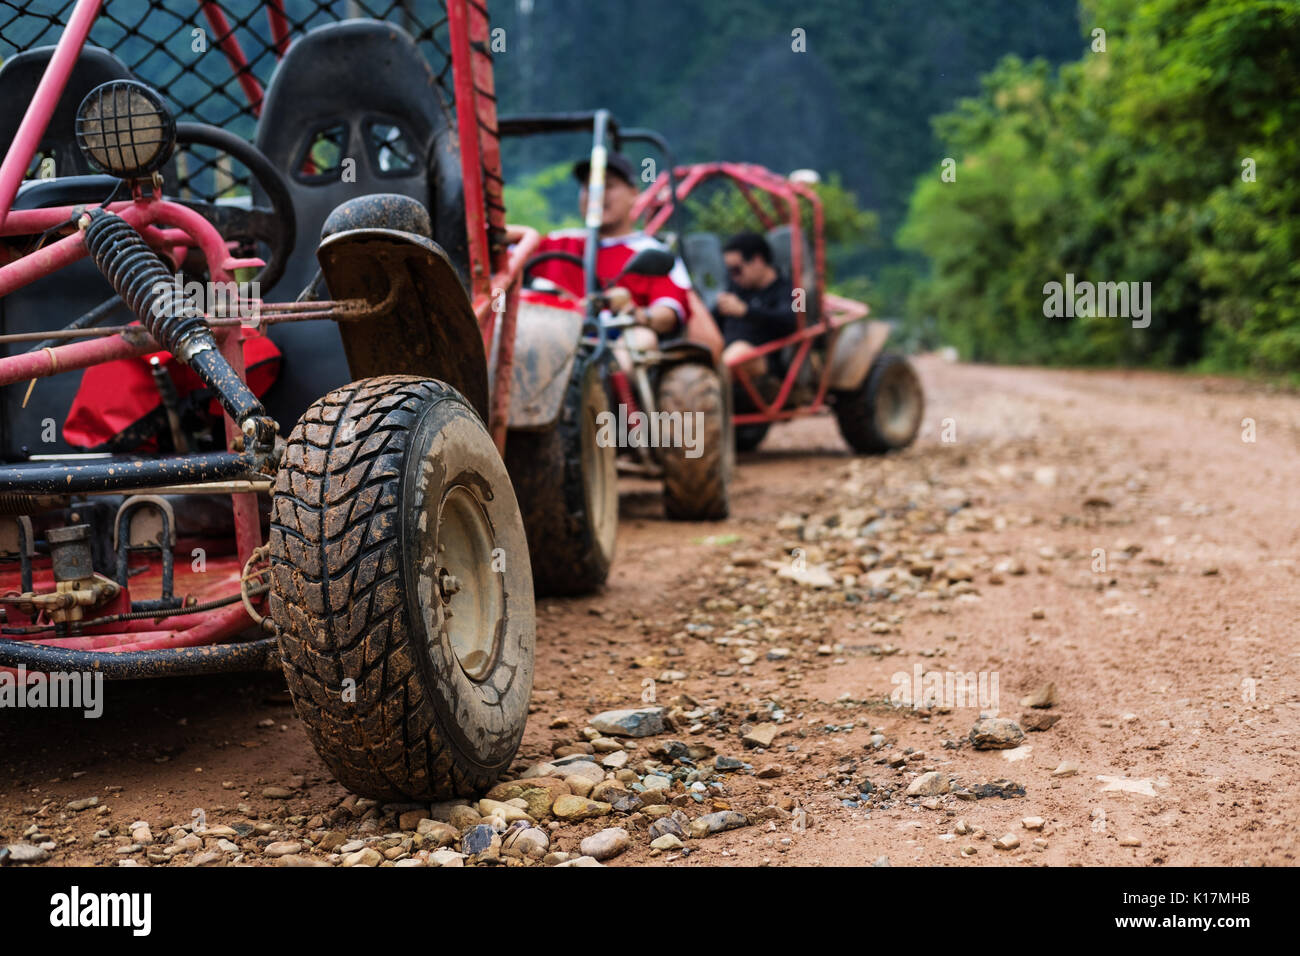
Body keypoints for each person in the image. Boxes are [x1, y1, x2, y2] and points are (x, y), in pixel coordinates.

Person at [530, 152, 693, 364]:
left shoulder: (652, 252)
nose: (596, 195)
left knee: (640, 341)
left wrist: (636, 314)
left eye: (608, 186)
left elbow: (670, 312)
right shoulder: (557, 243)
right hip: (547, 342)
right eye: (589, 188)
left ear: (634, 193)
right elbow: (501, 247)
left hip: (616, 344)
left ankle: (611, 396)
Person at [714, 232, 798, 379]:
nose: (733, 276)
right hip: (726, 350)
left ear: (758, 261)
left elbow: (794, 321)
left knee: (738, 353)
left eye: (736, 270)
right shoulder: (737, 287)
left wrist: (746, 311)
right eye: (729, 271)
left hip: (764, 362)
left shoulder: (796, 289)